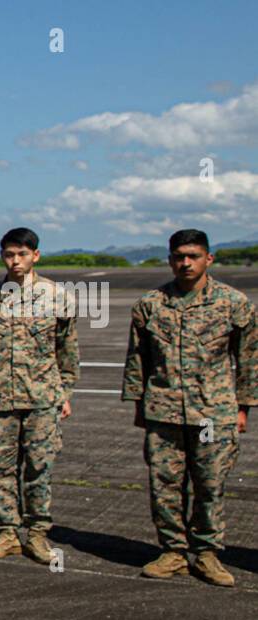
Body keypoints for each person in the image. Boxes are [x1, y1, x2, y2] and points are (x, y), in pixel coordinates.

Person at [122, 229, 258, 586]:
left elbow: (248, 361)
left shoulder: (233, 303)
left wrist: (244, 408)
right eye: (179, 256)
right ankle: (173, 552)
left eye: (193, 256)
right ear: (169, 259)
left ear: (208, 259)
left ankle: (207, 553)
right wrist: (138, 405)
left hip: (215, 413)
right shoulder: (150, 304)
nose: (186, 263)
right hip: (163, 412)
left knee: (210, 485)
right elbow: (137, 360)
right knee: (164, 484)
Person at [0, 227, 79, 562]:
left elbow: (68, 349)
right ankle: (6, 533)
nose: (15, 261)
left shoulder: (57, 296)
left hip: (42, 398)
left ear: (36, 255)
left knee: (39, 469)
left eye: (22, 254)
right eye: (9, 254)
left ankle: (37, 534)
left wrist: (65, 392)